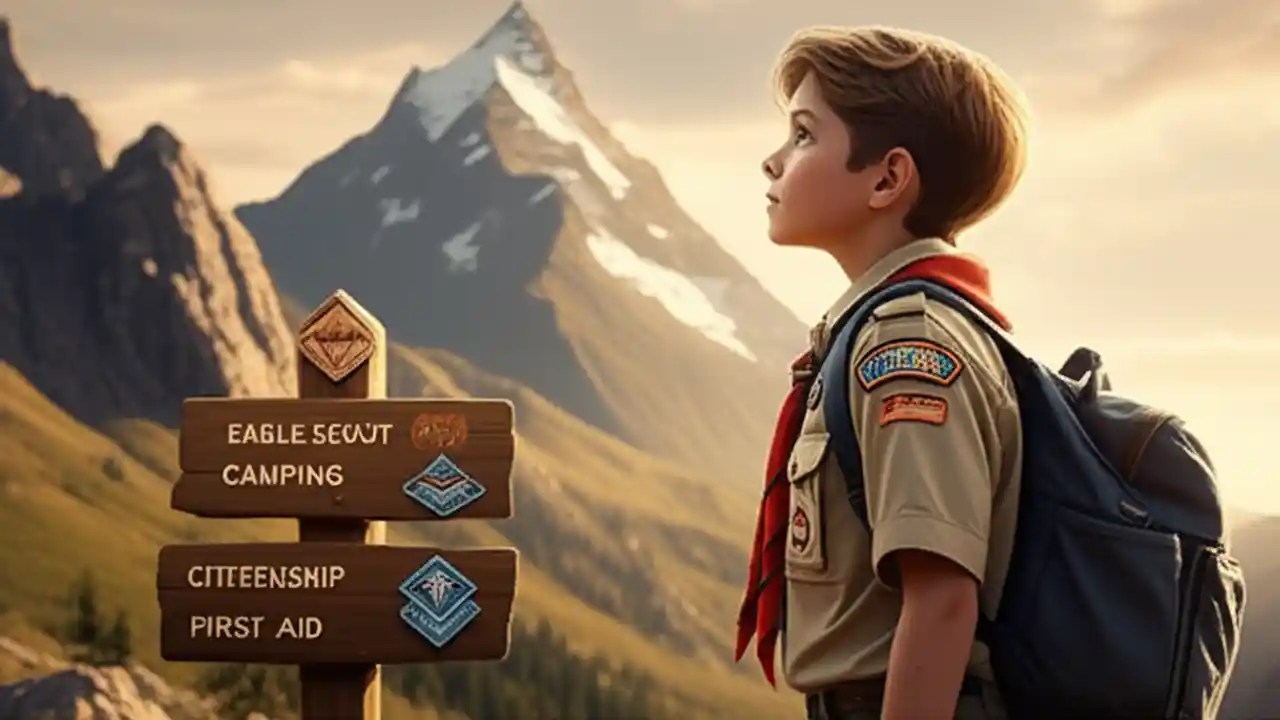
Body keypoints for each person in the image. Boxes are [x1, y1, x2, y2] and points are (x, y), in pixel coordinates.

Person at [734, 25, 1031, 720]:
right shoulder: (880, 329)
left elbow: (940, 599)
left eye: (804, 135)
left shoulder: (906, 346)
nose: (772, 162)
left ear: (888, 179)